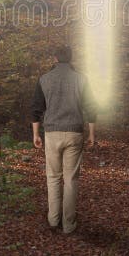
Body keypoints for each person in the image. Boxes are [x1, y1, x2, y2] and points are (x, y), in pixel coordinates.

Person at [31, 45, 97, 234]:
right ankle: (69, 224)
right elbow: (91, 107)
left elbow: (36, 109)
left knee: (53, 177)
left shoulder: (44, 79)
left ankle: (53, 220)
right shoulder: (81, 79)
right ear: (71, 58)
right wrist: (92, 134)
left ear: (55, 58)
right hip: (75, 133)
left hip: (52, 133)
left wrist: (36, 134)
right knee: (71, 179)